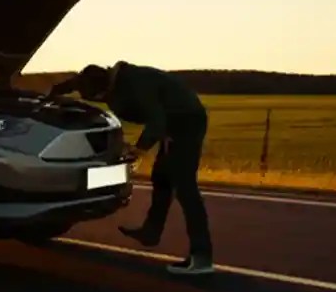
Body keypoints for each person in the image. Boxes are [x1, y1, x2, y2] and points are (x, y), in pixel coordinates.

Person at [49, 62, 214, 275]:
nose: (103, 101)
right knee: (161, 177)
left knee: (185, 187)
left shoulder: (137, 85)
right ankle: (151, 231)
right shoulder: (93, 77)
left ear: (108, 87)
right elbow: (70, 84)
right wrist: (52, 95)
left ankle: (202, 256)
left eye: (102, 97)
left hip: (187, 123)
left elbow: (157, 120)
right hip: (171, 121)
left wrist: (139, 149)